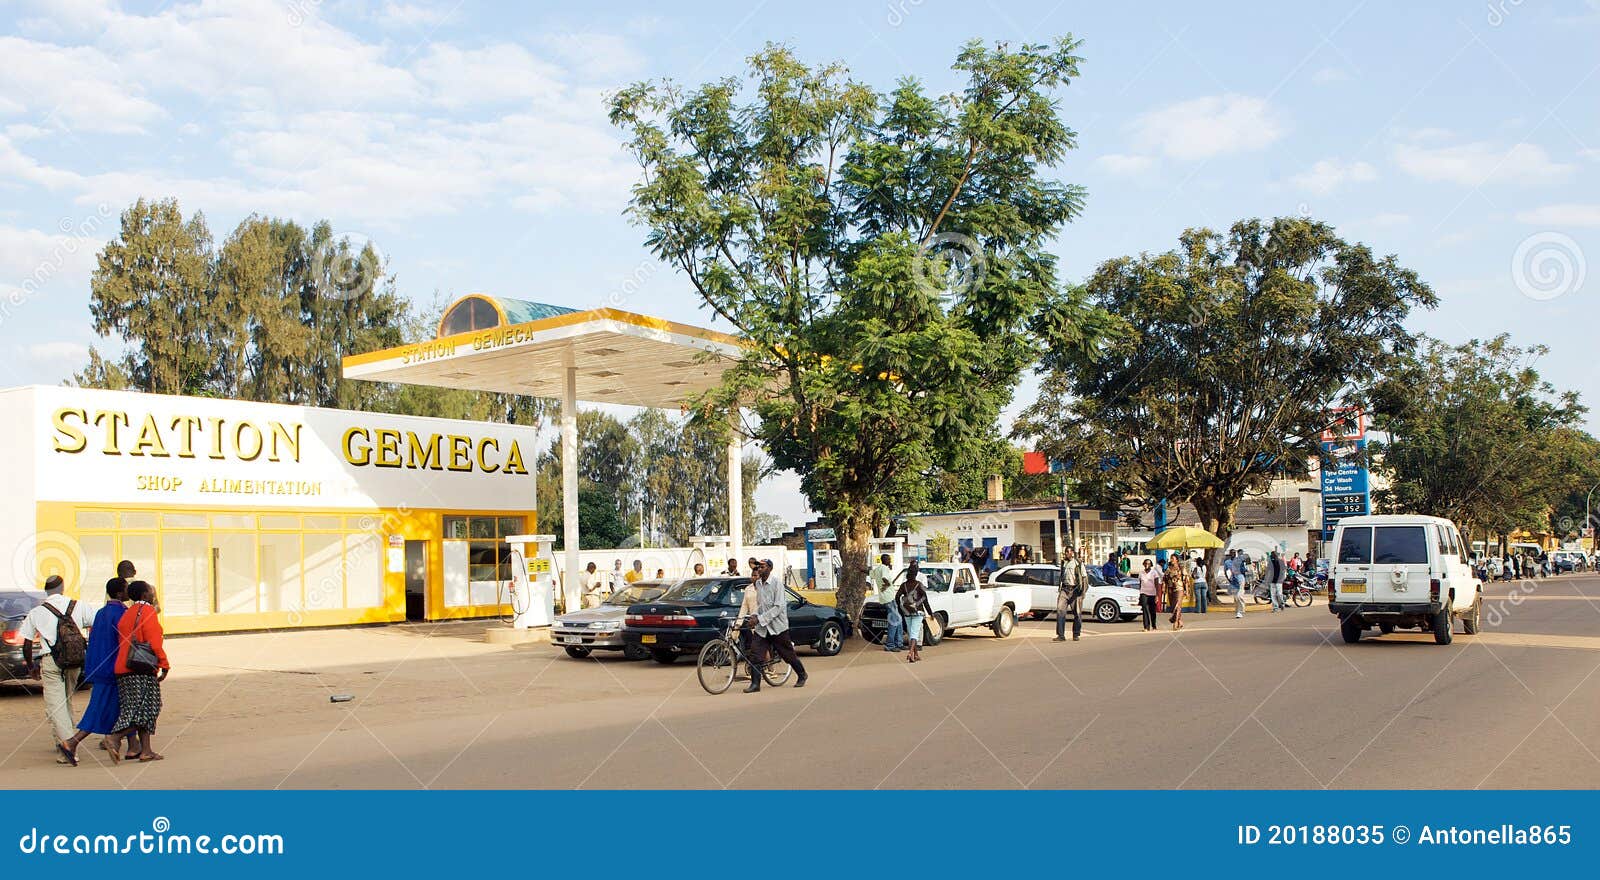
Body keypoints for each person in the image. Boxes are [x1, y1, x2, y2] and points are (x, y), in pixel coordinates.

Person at [18, 574, 94, 765]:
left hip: (52, 662)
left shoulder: (37, 612)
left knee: (56, 706)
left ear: (46, 591)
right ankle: (60, 743)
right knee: (66, 701)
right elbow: (96, 624)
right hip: (75, 661)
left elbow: (26, 645)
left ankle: (69, 748)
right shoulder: (79, 605)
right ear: (62, 588)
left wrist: (30, 666)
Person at [62, 577, 138, 764]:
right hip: (114, 669)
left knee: (122, 707)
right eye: (126, 588)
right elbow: (126, 643)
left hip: (99, 667)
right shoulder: (122, 614)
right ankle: (73, 742)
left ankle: (133, 744)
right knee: (101, 708)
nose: (128, 591)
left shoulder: (101, 613)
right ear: (120, 593)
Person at [108, 580, 168, 763]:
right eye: (150, 591)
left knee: (134, 707)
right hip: (141, 667)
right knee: (150, 707)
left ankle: (145, 750)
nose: (153, 594)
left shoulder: (127, 613)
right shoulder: (147, 611)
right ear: (144, 595)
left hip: (123, 667)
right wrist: (164, 664)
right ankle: (115, 737)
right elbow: (154, 641)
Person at [744, 560, 806, 692]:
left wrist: (759, 619)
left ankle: (802, 674)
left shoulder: (777, 583)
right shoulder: (758, 584)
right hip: (762, 628)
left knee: (787, 654)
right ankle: (755, 684)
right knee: (755, 653)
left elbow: (778, 607)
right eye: (758, 567)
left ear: (770, 568)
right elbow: (760, 605)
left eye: (762, 566)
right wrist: (754, 615)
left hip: (777, 626)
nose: (759, 569)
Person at [896, 571, 932, 663]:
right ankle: (910, 652)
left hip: (907, 612)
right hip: (918, 611)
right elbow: (925, 600)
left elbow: (897, 597)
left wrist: (900, 608)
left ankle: (915, 655)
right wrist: (930, 613)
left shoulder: (903, 585)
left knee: (911, 633)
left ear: (907, 576)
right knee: (915, 634)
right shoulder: (919, 585)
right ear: (915, 576)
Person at [870, 553, 902, 652]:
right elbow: (884, 578)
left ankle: (899, 643)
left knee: (898, 620)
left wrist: (860, 569)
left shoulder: (879, 568)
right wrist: (887, 584)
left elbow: (870, 573)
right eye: (889, 559)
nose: (890, 561)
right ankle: (890, 645)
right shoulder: (884, 568)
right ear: (885, 560)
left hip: (886, 598)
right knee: (894, 622)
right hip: (888, 598)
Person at [1055, 547, 1087, 642]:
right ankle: (1061, 635)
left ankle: (1076, 634)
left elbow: (1084, 577)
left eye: (1070, 551)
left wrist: (1083, 592)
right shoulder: (1063, 563)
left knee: (1077, 613)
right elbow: (1061, 576)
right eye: (1066, 552)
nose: (1068, 553)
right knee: (1060, 612)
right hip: (1064, 590)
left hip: (1075, 590)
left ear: (1073, 553)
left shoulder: (1078, 563)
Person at [1136, 558, 1161, 631]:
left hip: (1152, 593)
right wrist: (1140, 594)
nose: (1147, 565)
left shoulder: (1154, 573)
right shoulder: (1141, 573)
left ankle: (1154, 625)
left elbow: (1157, 584)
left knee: (1152, 611)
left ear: (1151, 565)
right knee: (1145, 609)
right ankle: (1146, 627)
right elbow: (1140, 584)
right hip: (1143, 593)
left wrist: (1157, 595)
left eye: (1148, 564)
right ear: (1143, 564)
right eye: (1145, 563)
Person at [1164, 556, 1187, 630]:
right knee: (1173, 606)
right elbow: (1165, 579)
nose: (1171, 560)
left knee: (1177, 605)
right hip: (1171, 589)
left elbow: (1185, 580)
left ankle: (1175, 622)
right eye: (1171, 558)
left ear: (1176, 560)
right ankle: (1179, 621)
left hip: (1179, 588)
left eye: (1173, 559)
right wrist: (1164, 587)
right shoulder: (1168, 568)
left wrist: (1186, 590)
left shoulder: (1181, 568)